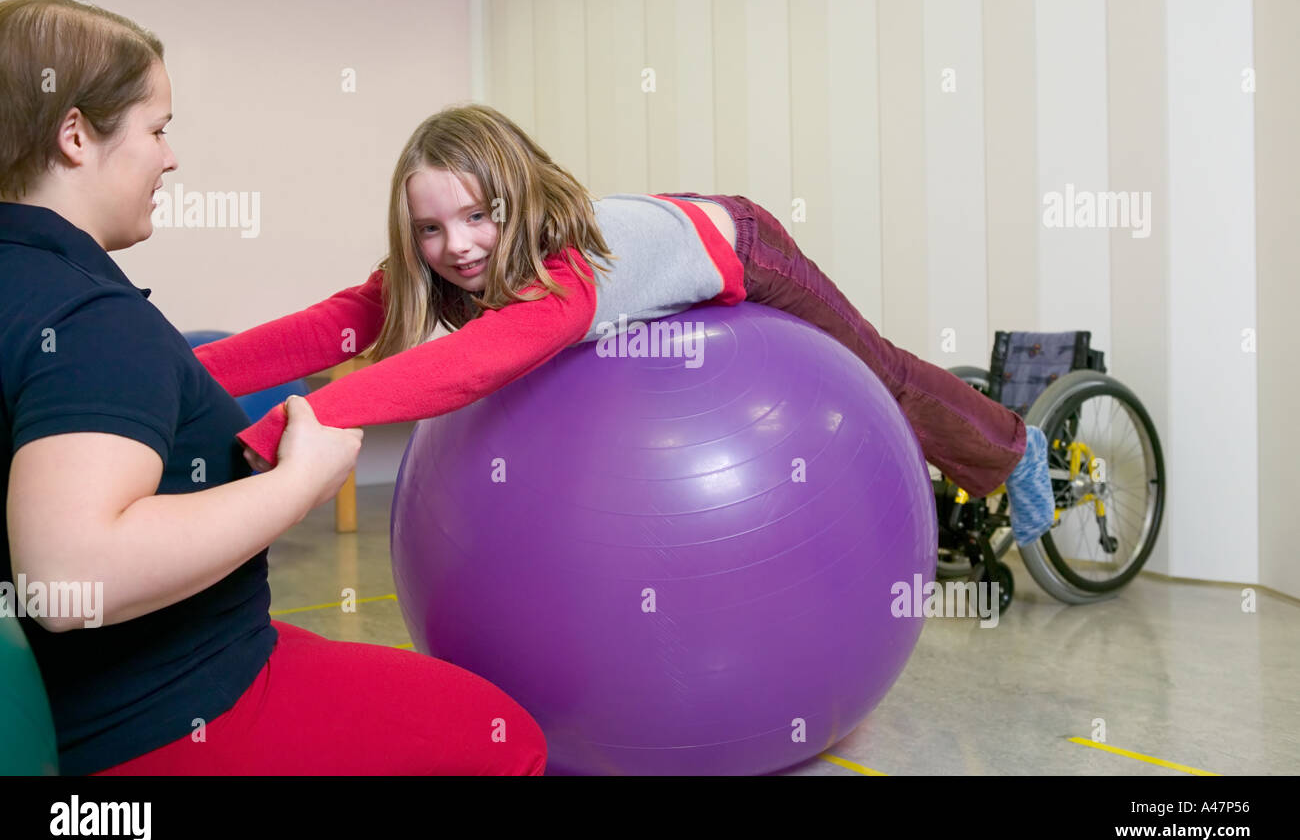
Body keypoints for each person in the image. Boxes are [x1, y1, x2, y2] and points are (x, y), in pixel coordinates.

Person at [0, 0, 547, 776]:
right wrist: (301, 481)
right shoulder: (90, 316)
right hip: (166, 713)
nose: (171, 157)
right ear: (77, 135)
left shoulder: (31, 285)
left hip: (136, 685)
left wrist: (210, 388)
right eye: (158, 130)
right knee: (510, 743)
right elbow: (67, 579)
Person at [201, 105, 1055, 548]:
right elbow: (340, 322)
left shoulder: (566, 278)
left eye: (477, 217)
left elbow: (469, 368)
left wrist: (293, 420)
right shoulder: (447, 264)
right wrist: (186, 371)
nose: (455, 247)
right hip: (659, 259)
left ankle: (1016, 449)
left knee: (880, 372)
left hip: (741, 248)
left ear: (518, 201)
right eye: (430, 229)